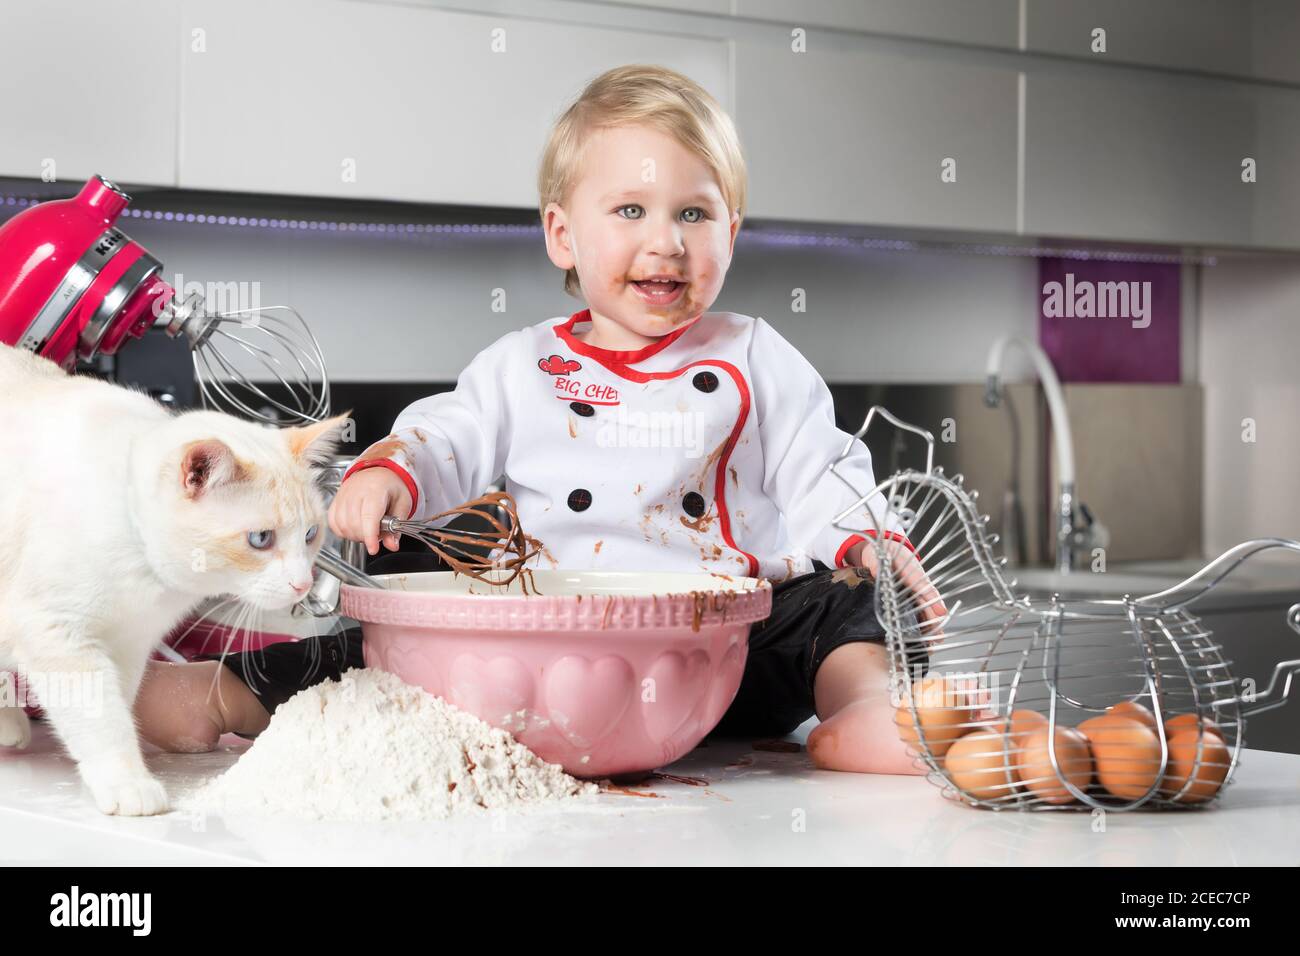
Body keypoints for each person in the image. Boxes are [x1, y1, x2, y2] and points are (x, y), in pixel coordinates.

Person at [135, 64, 946, 774]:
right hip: (551, 648)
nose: (665, 242)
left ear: (731, 233)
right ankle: (225, 692)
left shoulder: (756, 355)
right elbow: (447, 435)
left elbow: (823, 467)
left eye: (695, 215)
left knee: (842, 597)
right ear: (562, 234)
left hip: (723, 652)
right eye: (630, 210)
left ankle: (864, 710)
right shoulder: (523, 367)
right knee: (389, 638)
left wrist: (863, 534)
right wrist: (392, 470)